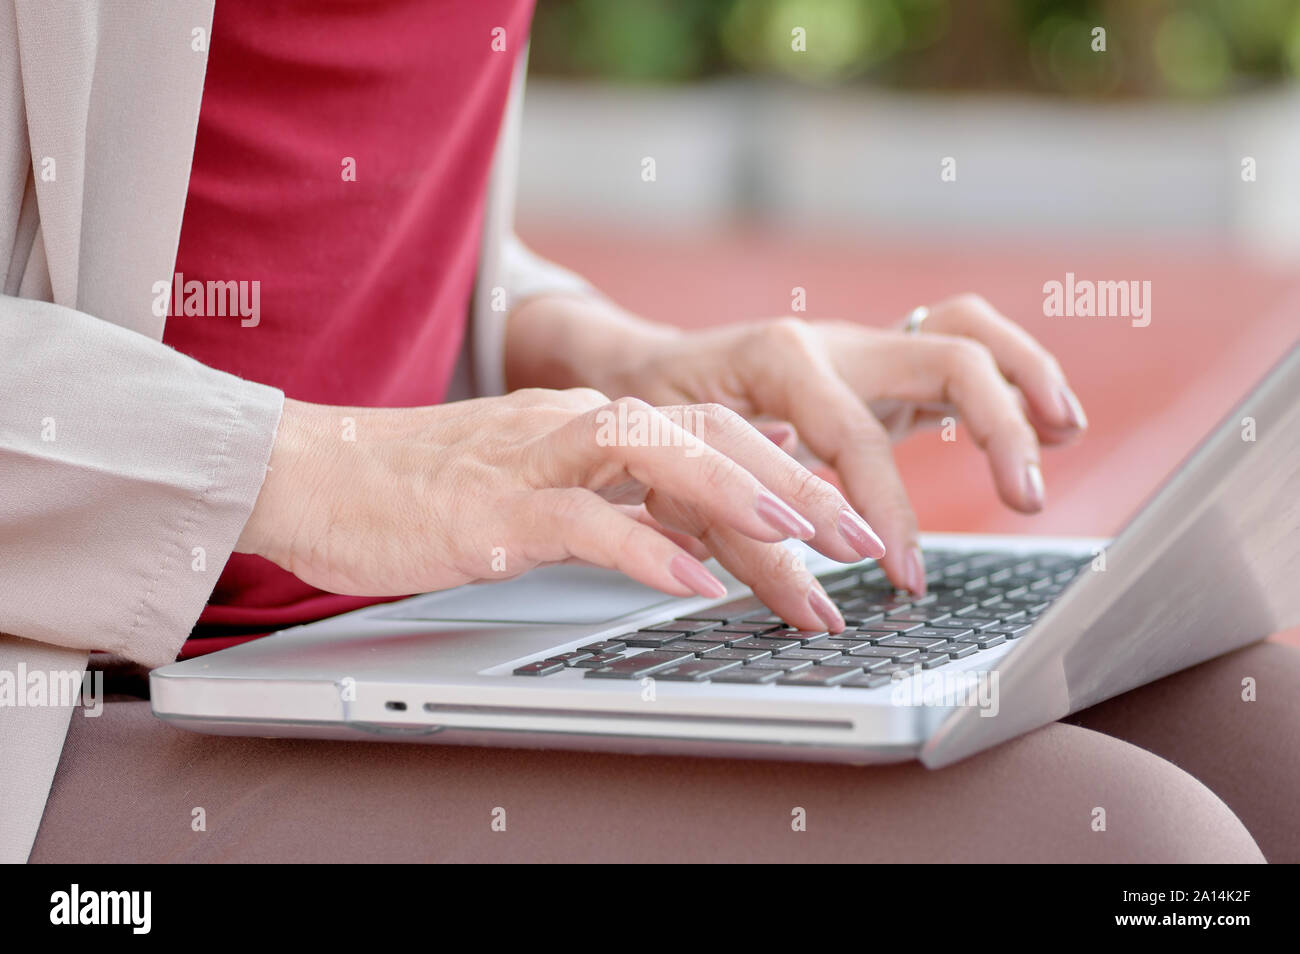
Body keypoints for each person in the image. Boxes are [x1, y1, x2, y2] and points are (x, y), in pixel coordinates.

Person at [4, 1, 1295, 863]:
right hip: (65, 690)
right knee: (1120, 845)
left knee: (1271, 737)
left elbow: (300, 178)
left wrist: (617, 360)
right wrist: (302, 465)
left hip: (413, 620)